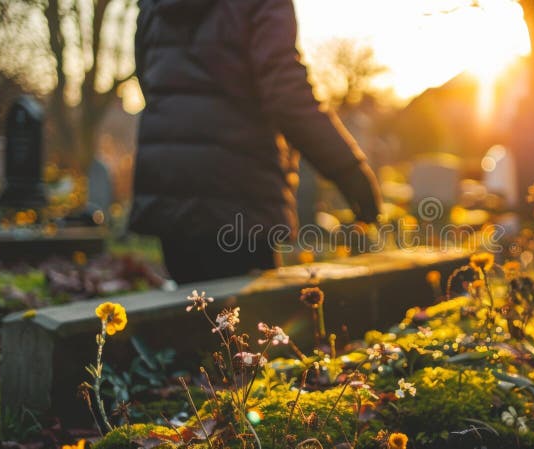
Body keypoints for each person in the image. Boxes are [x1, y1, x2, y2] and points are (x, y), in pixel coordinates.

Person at [129, 0, 382, 284]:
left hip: (171, 181)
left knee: (195, 311)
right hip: (239, 187)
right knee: (247, 320)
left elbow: (149, 79)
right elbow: (286, 93)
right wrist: (348, 169)